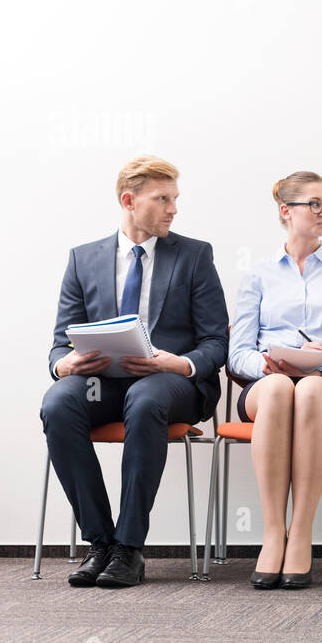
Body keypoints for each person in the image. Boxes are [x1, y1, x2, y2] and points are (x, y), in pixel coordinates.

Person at [40, 156, 229, 588]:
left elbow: (217, 342)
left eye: (175, 198)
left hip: (173, 382)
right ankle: (101, 542)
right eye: (162, 199)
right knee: (58, 402)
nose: (173, 209)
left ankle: (129, 547)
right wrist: (64, 364)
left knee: (145, 398)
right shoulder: (82, 258)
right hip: (103, 384)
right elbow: (59, 341)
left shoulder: (195, 256)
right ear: (129, 200)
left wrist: (180, 363)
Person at [228, 171, 322, 589]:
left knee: (307, 390)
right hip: (268, 385)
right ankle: (274, 531)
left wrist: (321, 366)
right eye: (316, 204)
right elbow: (237, 354)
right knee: (277, 389)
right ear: (286, 211)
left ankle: (301, 529)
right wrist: (268, 365)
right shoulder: (257, 274)